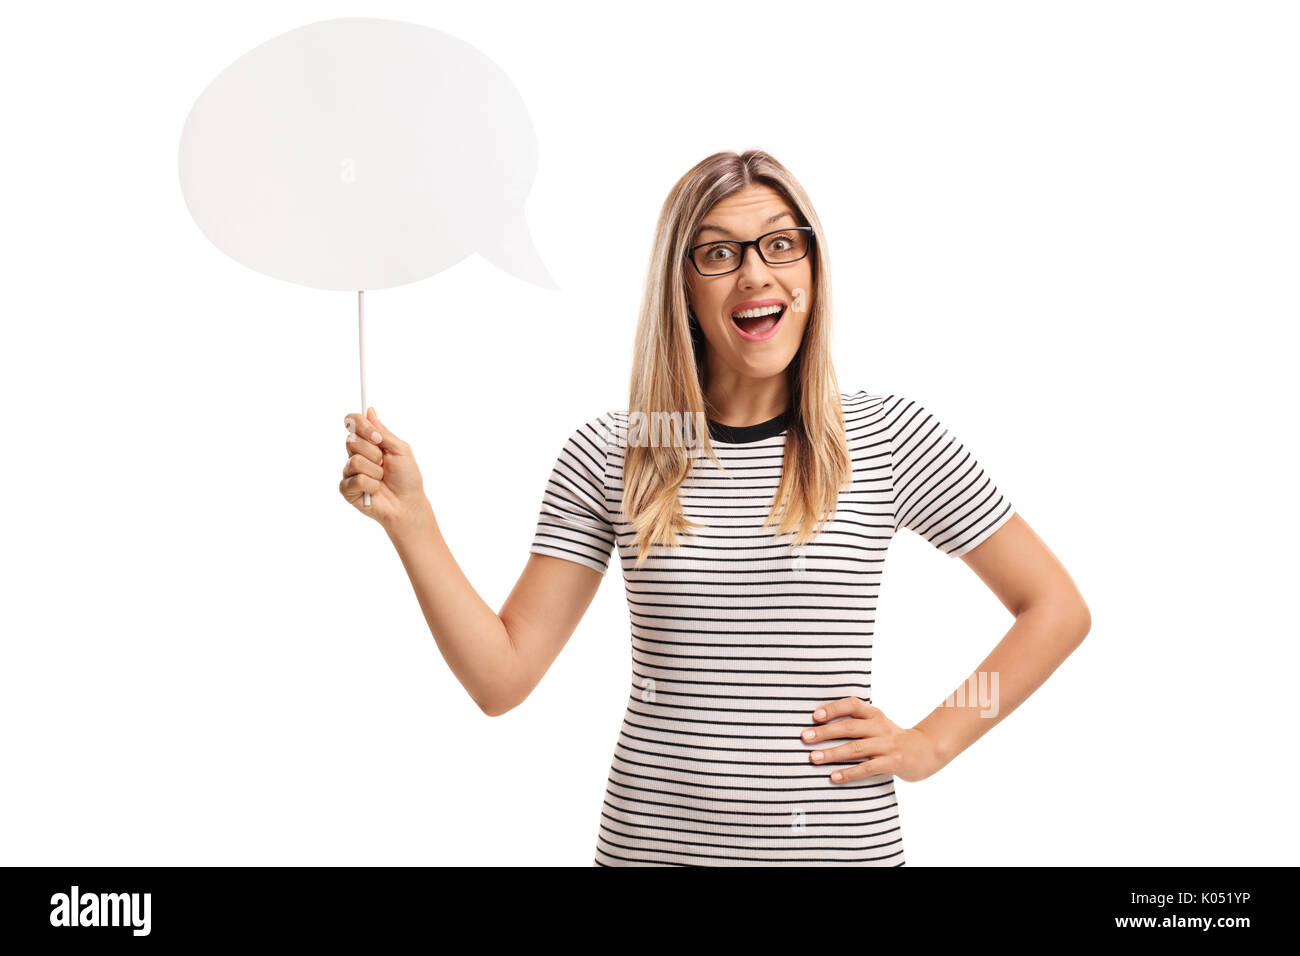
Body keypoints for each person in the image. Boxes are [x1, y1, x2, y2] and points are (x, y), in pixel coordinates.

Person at [339, 149, 1091, 866]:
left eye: (780, 244)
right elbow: (501, 679)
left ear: (813, 269)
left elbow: (1054, 607)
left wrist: (932, 742)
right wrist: (413, 522)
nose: (755, 274)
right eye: (719, 253)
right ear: (684, 286)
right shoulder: (617, 450)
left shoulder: (889, 437)